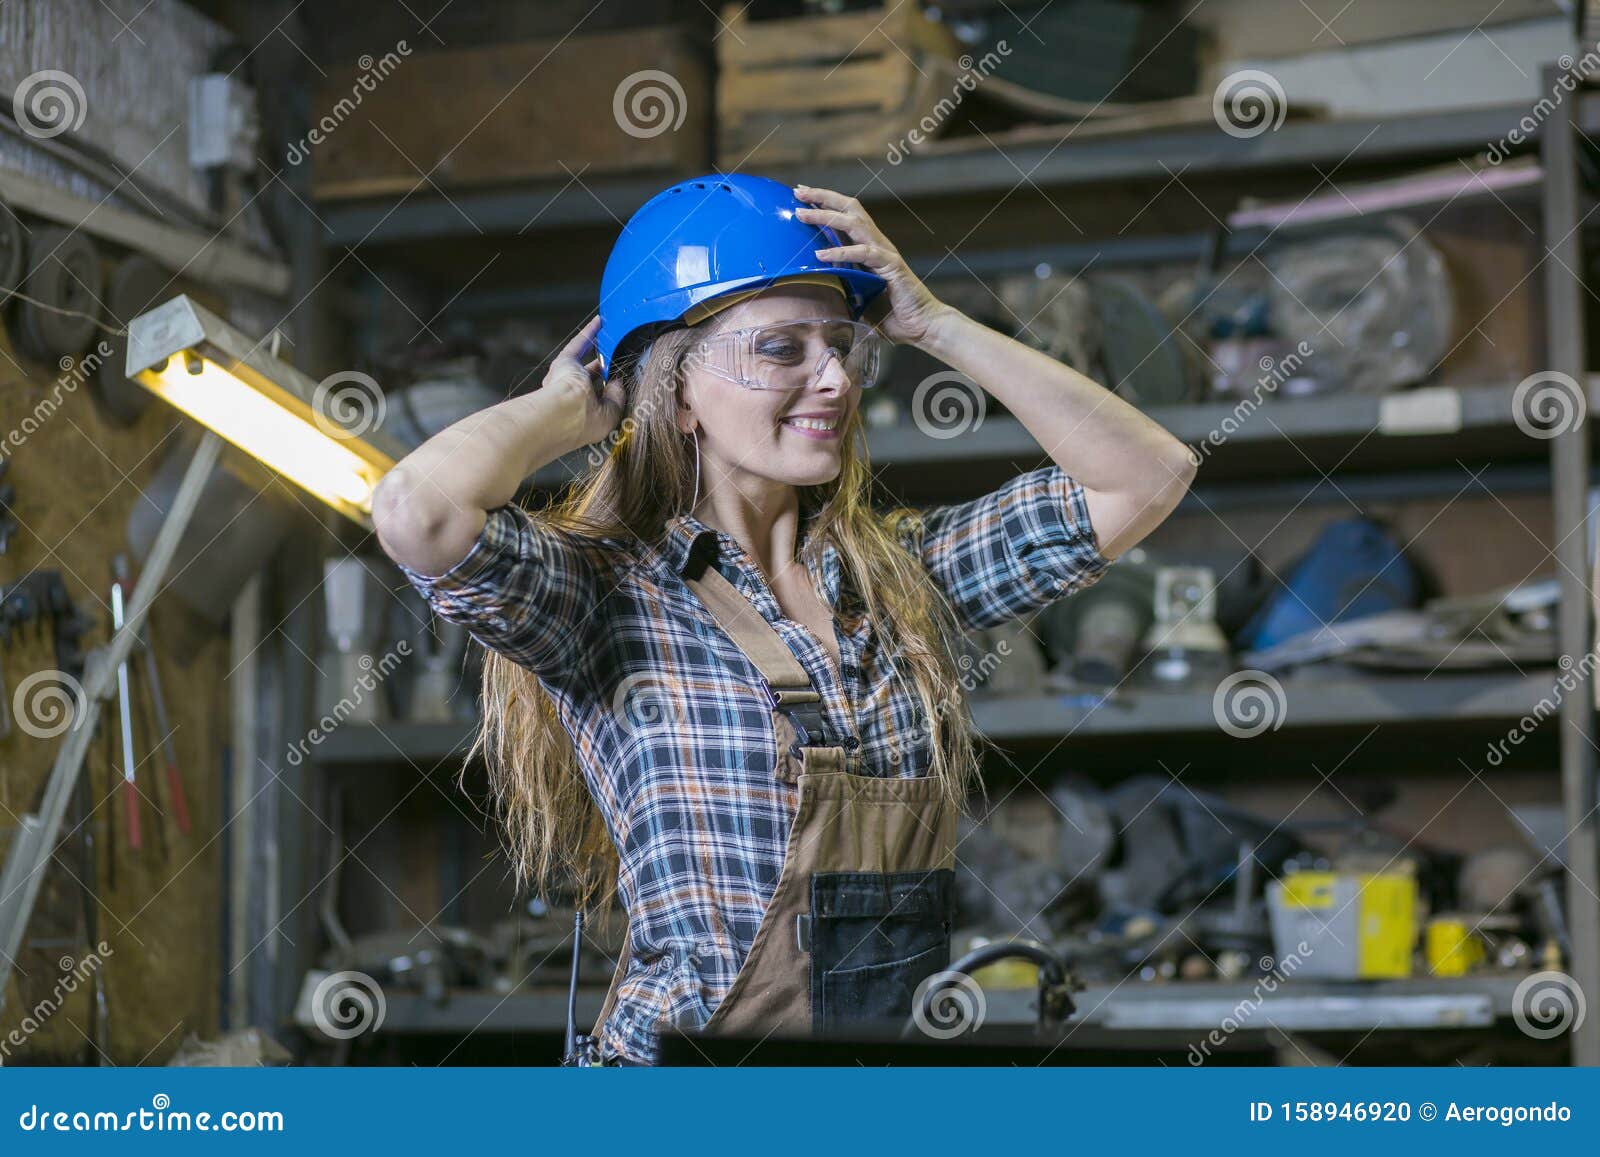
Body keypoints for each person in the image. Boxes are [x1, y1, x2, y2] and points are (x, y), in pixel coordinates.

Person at [372, 173, 1195, 1064]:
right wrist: (571, 409)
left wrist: (935, 325)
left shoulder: (901, 581)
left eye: (840, 343)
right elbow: (419, 510)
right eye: (781, 349)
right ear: (677, 390)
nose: (834, 378)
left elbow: (1146, 475)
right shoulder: (606, 594)